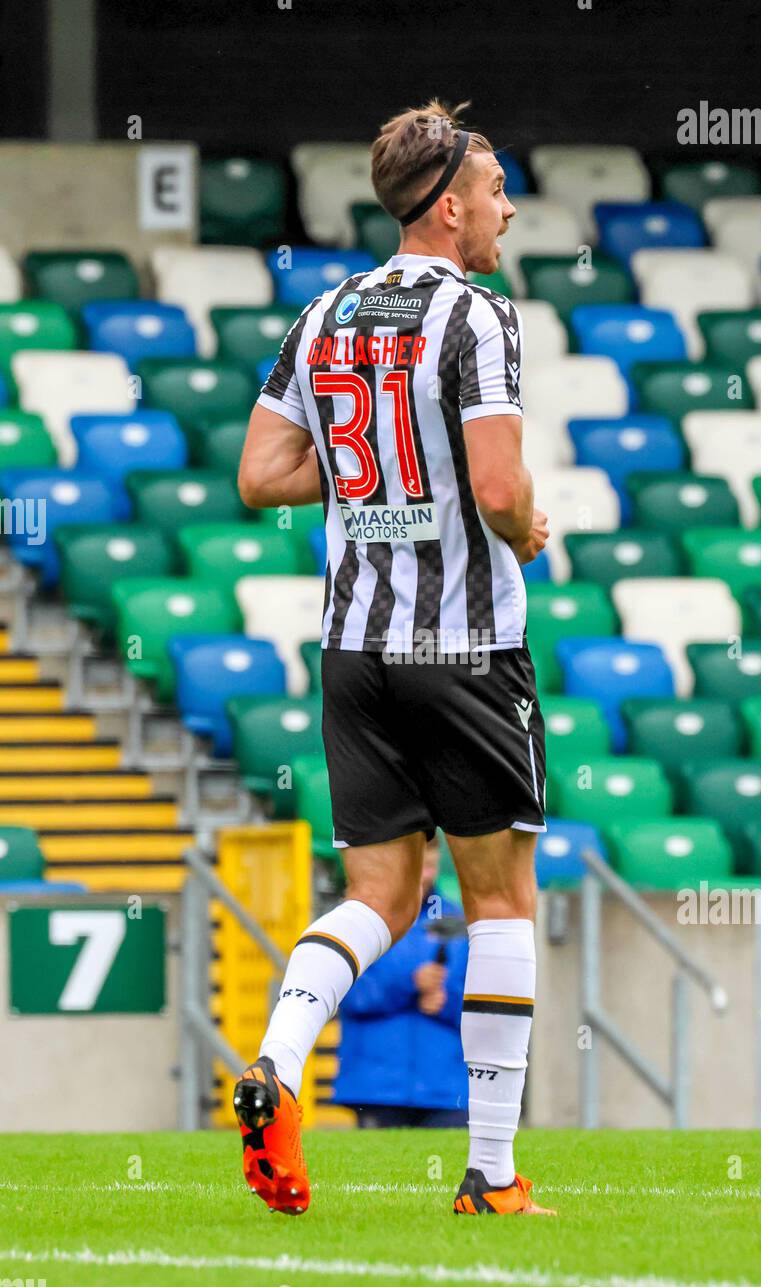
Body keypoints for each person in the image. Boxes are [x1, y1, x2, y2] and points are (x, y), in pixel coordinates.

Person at [234, 97, 554, 1217]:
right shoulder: (479, 316)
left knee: (379, 888)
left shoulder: (320, 316)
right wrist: (522, 528)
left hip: (352, 647)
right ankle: (491, 1174)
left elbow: (260, 475)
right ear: (451, 203)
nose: (508, 210)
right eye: (497, 190)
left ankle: (276, 1062)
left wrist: (377, 473)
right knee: (500, 897)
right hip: (465, 646)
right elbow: (502, 489)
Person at [334, 837, 469, 1129]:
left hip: (446, 1090)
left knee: (449, 1173)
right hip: (376, 1088)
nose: (427, 873)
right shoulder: (362, 920)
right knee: (379, 1175)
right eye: (420, 864)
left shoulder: (461, 921)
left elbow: (483, 1004)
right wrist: (411, 984)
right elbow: (348, 995)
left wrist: (445, 1000)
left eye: (432, 864)